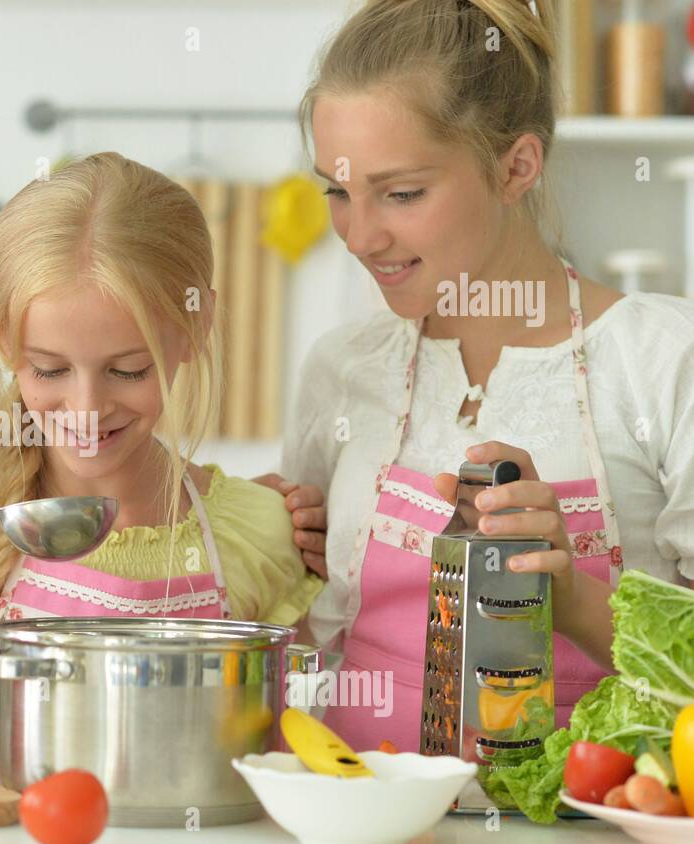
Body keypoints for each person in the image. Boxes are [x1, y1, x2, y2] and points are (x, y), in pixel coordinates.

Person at [283, 0, 694, 752]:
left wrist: (569, 596)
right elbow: (311, 640)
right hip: (356, 823)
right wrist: (263, 549)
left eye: (401, 193)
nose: (360, 235)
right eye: (338, 192)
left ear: (517, 166)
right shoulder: (342, 369)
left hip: (585, 840)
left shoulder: (664, 360)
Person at [0, 153, 324, 780]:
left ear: (194, 328)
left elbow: (293, 773)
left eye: (128, 370)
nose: (86, 408)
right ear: (2, 344)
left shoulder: (264, 534)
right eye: (48, 369)